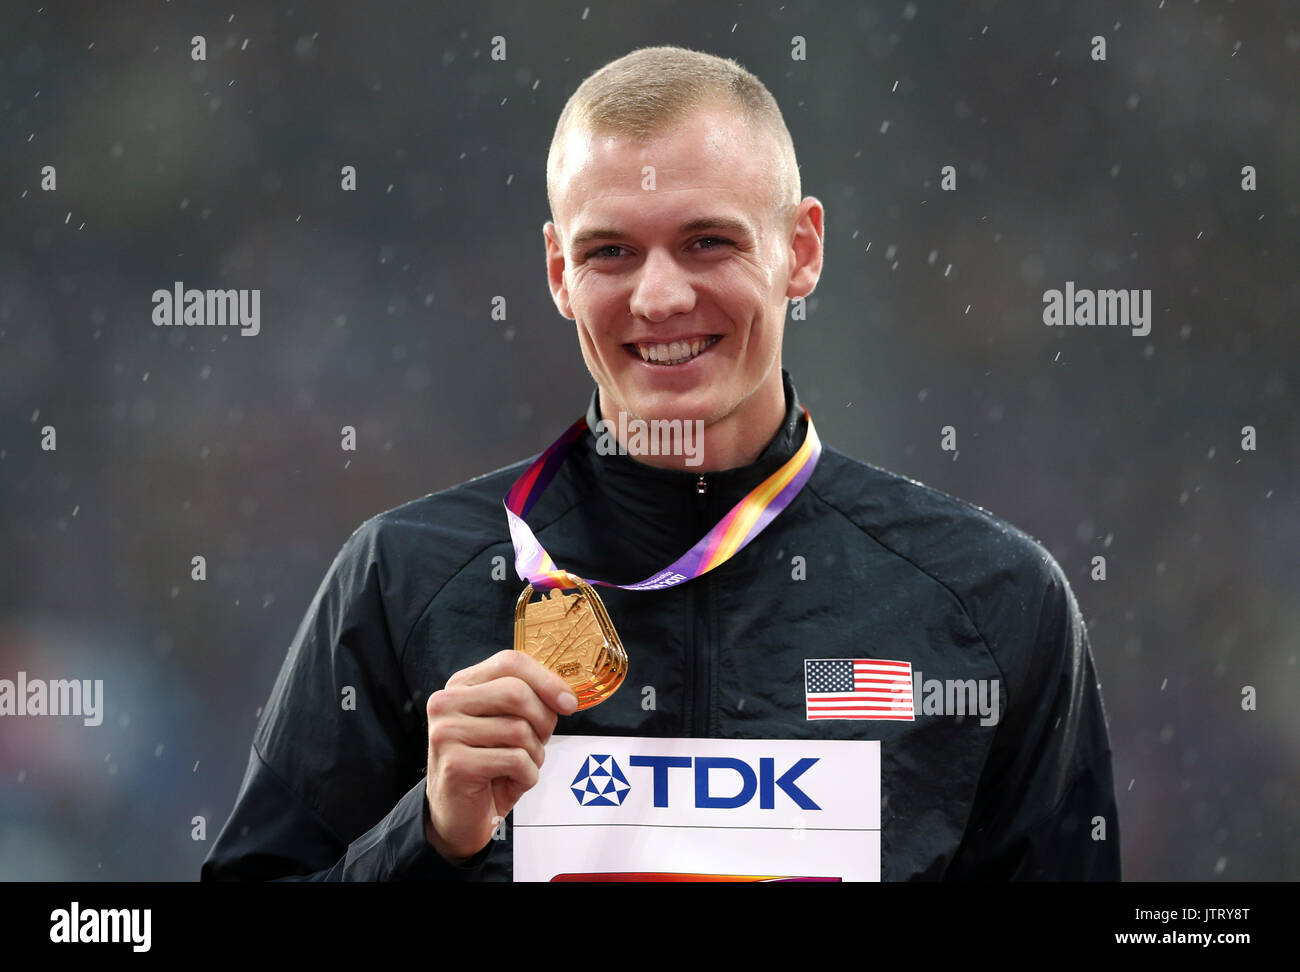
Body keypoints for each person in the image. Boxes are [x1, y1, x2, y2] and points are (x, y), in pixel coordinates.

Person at [202, 45, 1120, 881]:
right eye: (611, 252)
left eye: (706, 241)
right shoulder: (405, 579)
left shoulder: (989, 599)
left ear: (800, 250)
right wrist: (429, 837)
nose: (660, 295)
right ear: (560, 274)